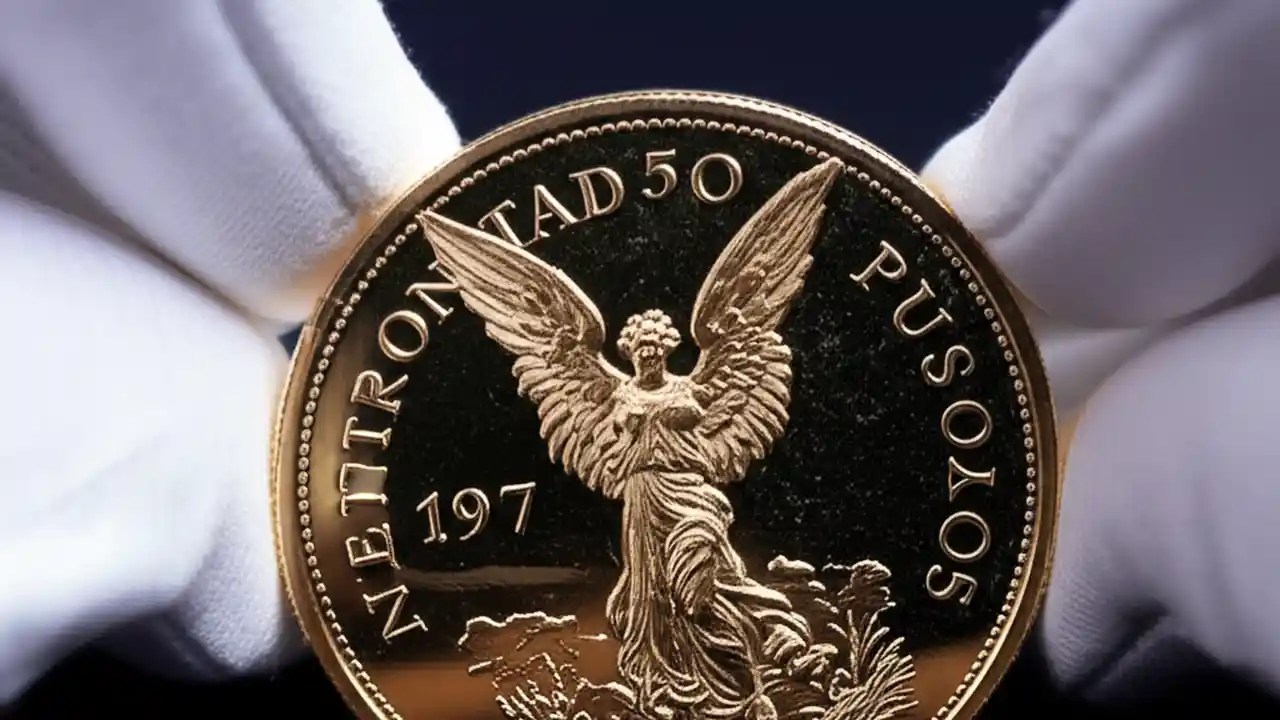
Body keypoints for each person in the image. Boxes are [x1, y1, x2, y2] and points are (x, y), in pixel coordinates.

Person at [1, 0, 1277, 710]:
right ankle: (705, 672)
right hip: (648, 508)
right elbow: (558, 369)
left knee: (706, 575)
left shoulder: (718, 369)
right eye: (647, 335)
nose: (654, 341)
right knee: (655, 600)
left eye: (665, 336)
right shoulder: (588, 375)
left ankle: (771, 659)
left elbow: (750, 336)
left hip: (693, 503)